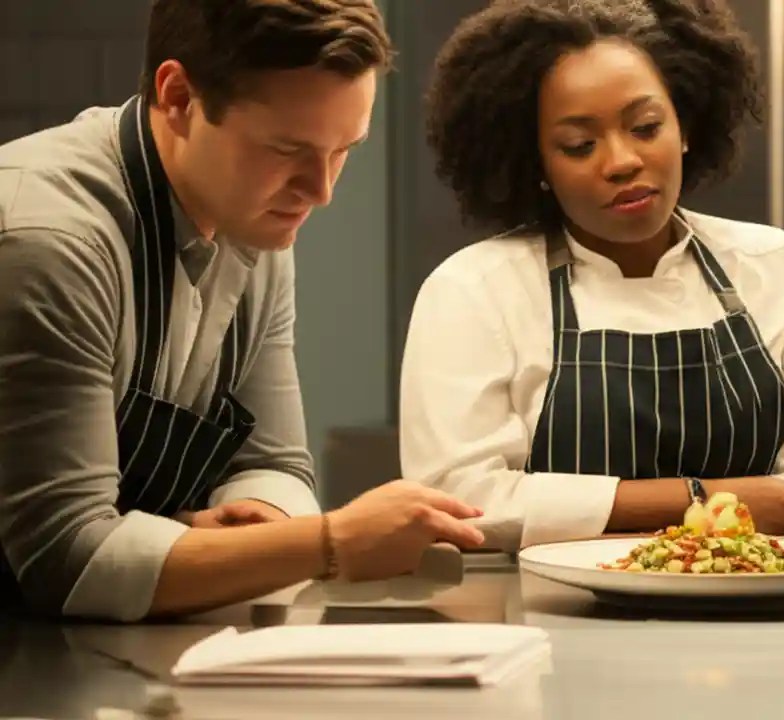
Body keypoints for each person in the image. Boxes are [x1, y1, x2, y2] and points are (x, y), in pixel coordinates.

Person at [0, 0, 484, 622]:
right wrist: (331, 543)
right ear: (178, 97)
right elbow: (66, 559)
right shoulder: (50, 241)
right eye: (287, 149)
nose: (322, 191)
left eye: (345, 149)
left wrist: (262, 527)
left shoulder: (251, 216)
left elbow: (276, 466)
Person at [400, 0, 784, 552]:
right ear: (537, 165)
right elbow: (463, 501)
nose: (621, 160)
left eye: (646, 127)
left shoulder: (778, 268)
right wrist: (706, 499)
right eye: (580, 145)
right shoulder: (474, 291)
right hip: (551, 617)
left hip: (759, 604)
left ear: (687, 126)